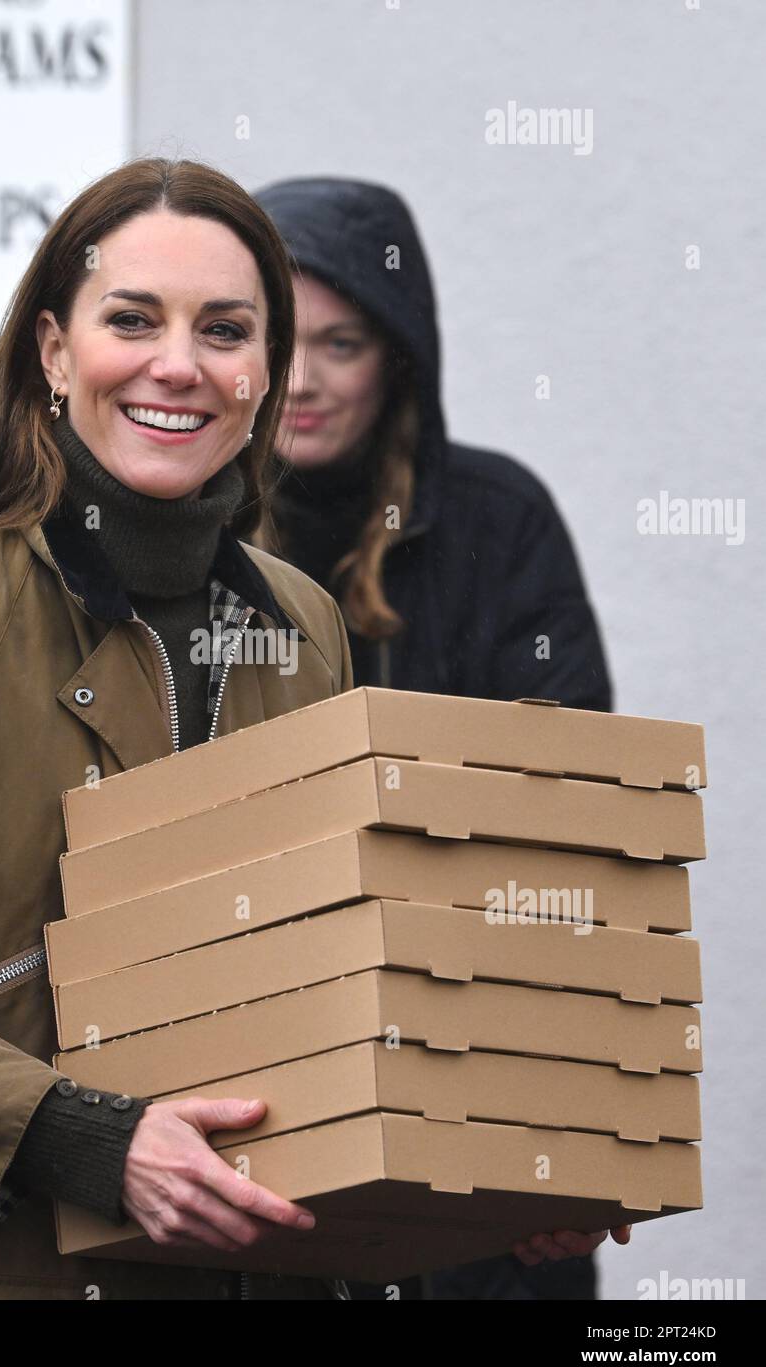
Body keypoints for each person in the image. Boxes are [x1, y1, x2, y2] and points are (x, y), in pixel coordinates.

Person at [0, 157, 625, 1302]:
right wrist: (94, 1142)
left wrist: (509, 1169)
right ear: (55, 353)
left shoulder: (300, 623)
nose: (179, 364)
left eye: (224, 329)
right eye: (132, 320)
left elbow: (335, 969)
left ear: (261, 372)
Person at [253, 175, 617, 1300]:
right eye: (276, 337)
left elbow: (578, 837)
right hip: (252, 1131)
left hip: (485, 1120)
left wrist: (573, 1131)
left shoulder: (498, 521)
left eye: (342, 342)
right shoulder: (185, 540)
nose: (303, 381)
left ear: (400, 354)